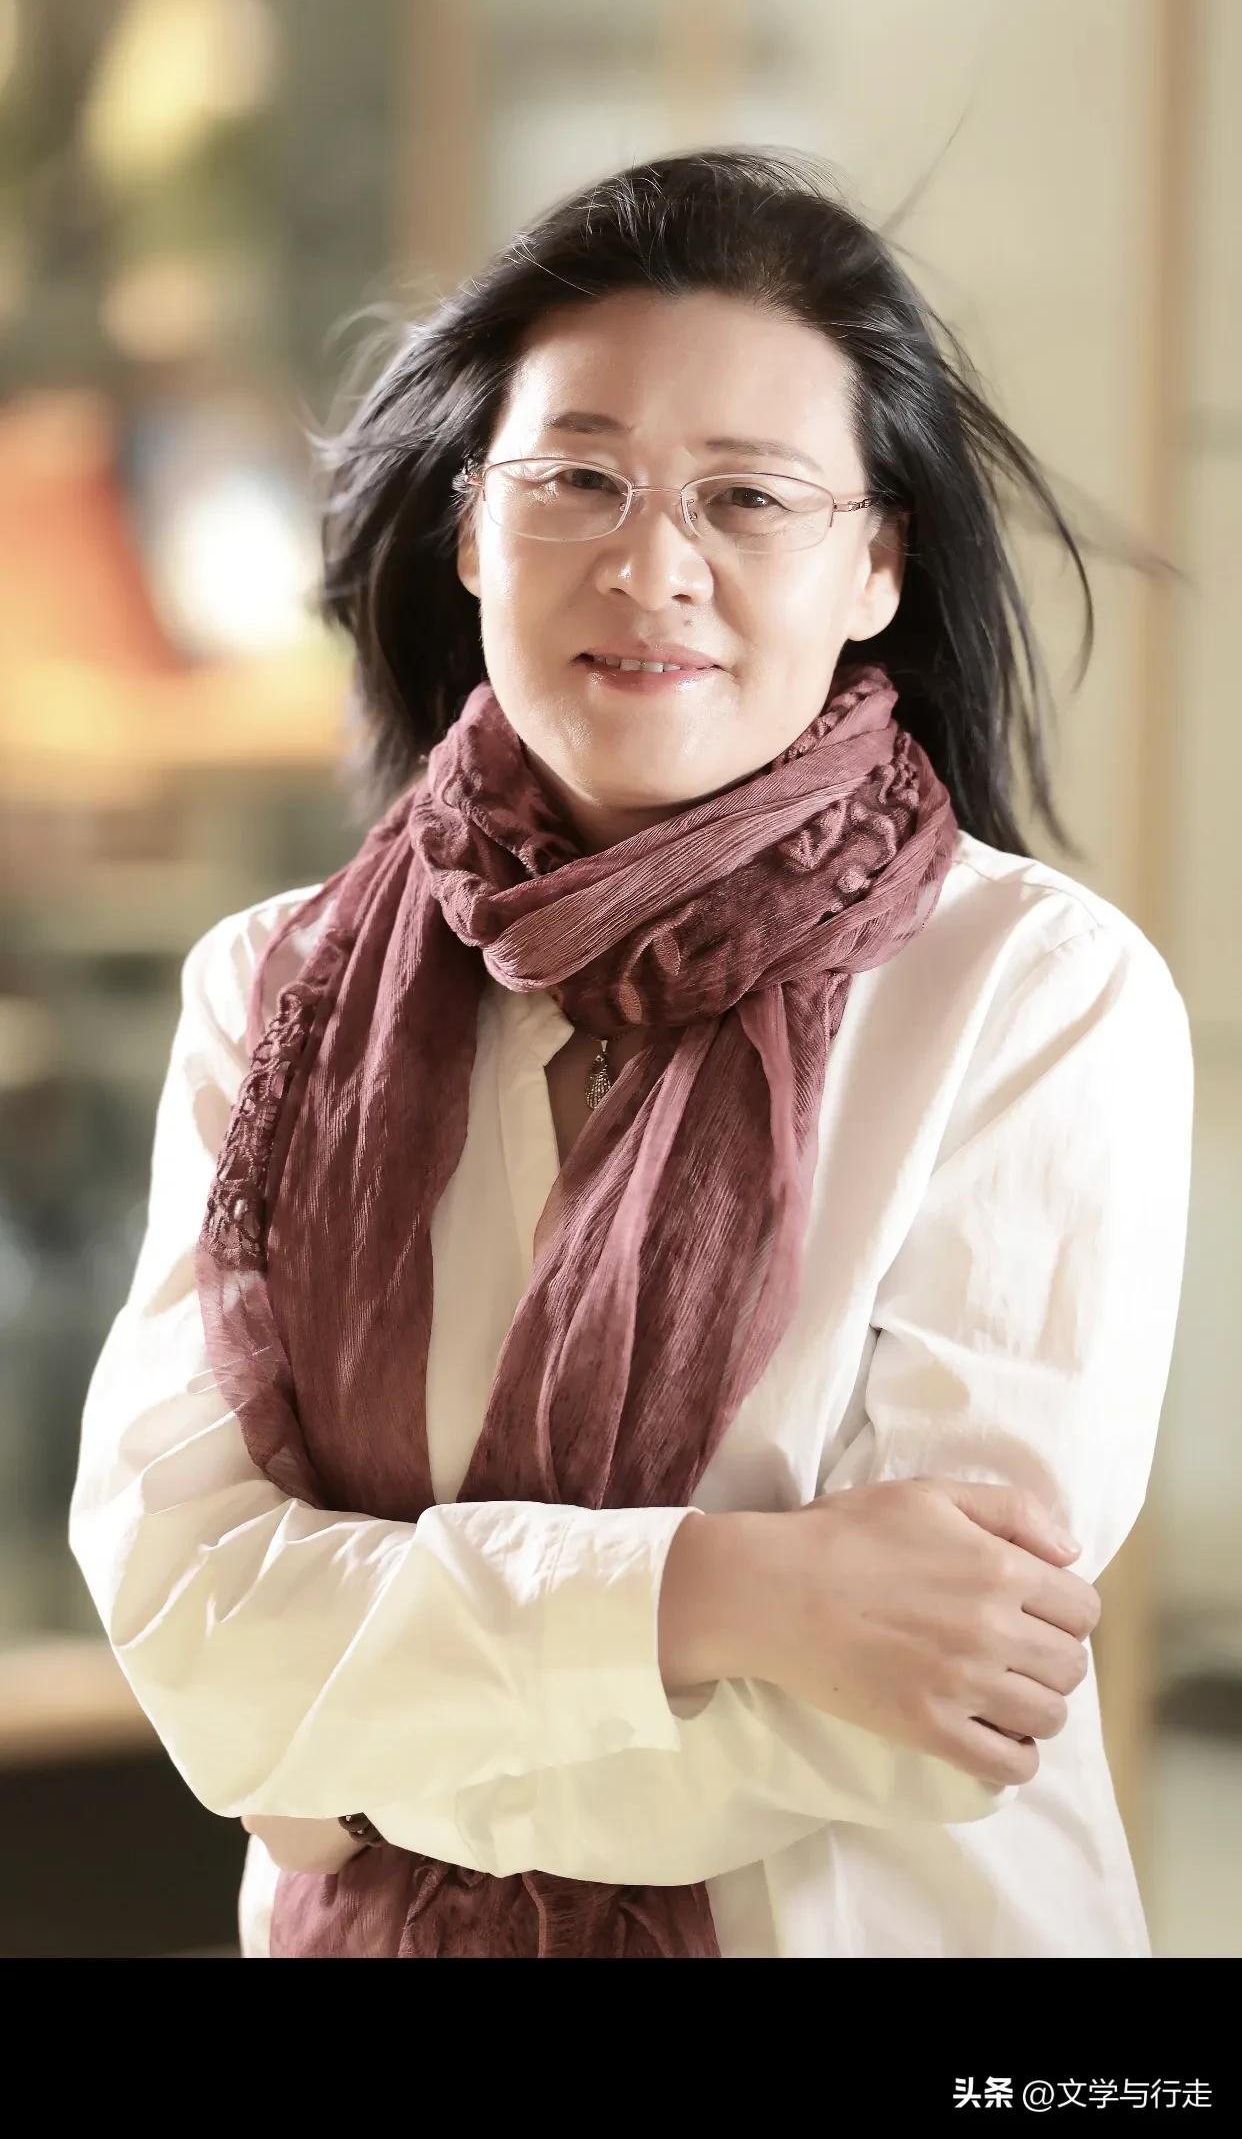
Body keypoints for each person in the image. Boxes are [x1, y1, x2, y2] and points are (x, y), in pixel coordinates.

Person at [69, 150, 1192, 1959]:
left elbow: (911, 1720)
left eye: (747, 499)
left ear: (878, 564)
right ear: (466, 526)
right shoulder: (267, 989)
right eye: (576, 477)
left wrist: (341, 1743)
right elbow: (181, 1611)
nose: (649, 564)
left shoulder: (1035, 995)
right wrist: (726, 1589)